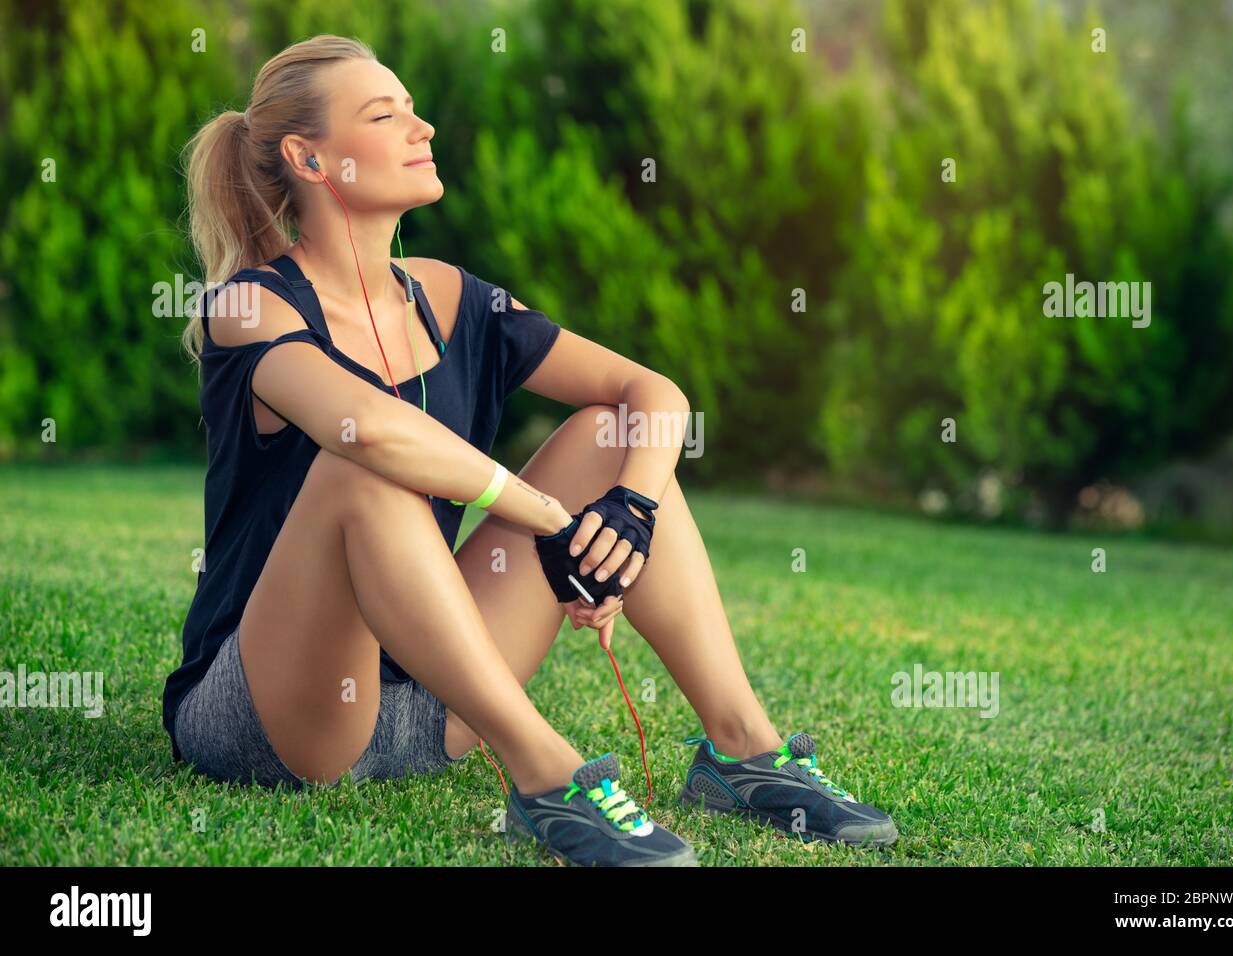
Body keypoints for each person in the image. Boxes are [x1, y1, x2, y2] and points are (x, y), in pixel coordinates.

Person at [163, 33, 896, 866]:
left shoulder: (453, 297)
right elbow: (371, 432)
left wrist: (629, 514)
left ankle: (743, 753)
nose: (422, 126)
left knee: (605, 433)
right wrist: (549, 518)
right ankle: (550, 778)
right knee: (362, 469)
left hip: (437, 715)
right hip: (279, 717)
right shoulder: (251, 308)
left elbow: (652, 395)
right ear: (311, 158)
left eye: (412, 107)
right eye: (385, 113)